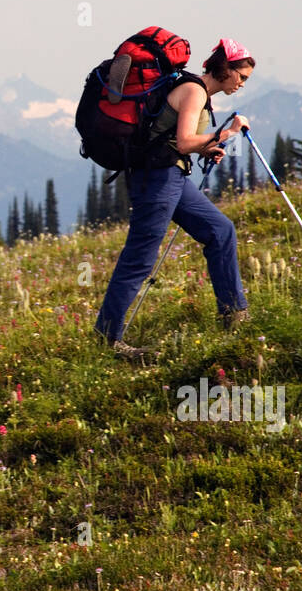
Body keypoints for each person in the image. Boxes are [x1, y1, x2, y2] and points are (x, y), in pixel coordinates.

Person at [93, 37, 256, 364]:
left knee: (220, 231)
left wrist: (211, 144)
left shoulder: (198, 91)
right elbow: (183, 141)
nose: (241, 83)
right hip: (156, 179)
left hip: (171, 178)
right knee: (139, 258)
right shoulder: (194, 91)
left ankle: (234, 314)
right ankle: (106, 338)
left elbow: (183, 142)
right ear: (225, 68)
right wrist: (225, 135)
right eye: (241, 76)